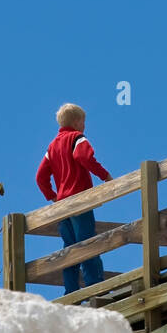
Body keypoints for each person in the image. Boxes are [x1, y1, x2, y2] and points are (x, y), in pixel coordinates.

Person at [35, 103, 113, 295]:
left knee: (69, 249)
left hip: (62, 206)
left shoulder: (52, 147)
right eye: (84, 122)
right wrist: (105, 176)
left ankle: (70, 292)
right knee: (87, 244)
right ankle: (97, 289)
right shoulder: (77, 138)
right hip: (79, 200)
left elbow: (40, 176)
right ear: (77, 121)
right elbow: (83, 156)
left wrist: (52, 196)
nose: (85, 126)